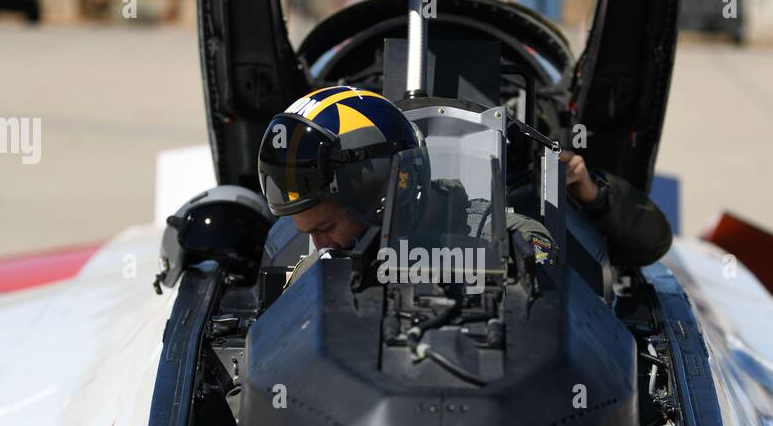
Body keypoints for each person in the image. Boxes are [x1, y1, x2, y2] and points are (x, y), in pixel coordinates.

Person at [256, 85, 673, 280]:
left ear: (380, 194)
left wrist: (591, 196)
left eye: (326, 228)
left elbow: (551, 301)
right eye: (310, 233)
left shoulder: (509, 240)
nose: (320, 245)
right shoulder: (315, 270)